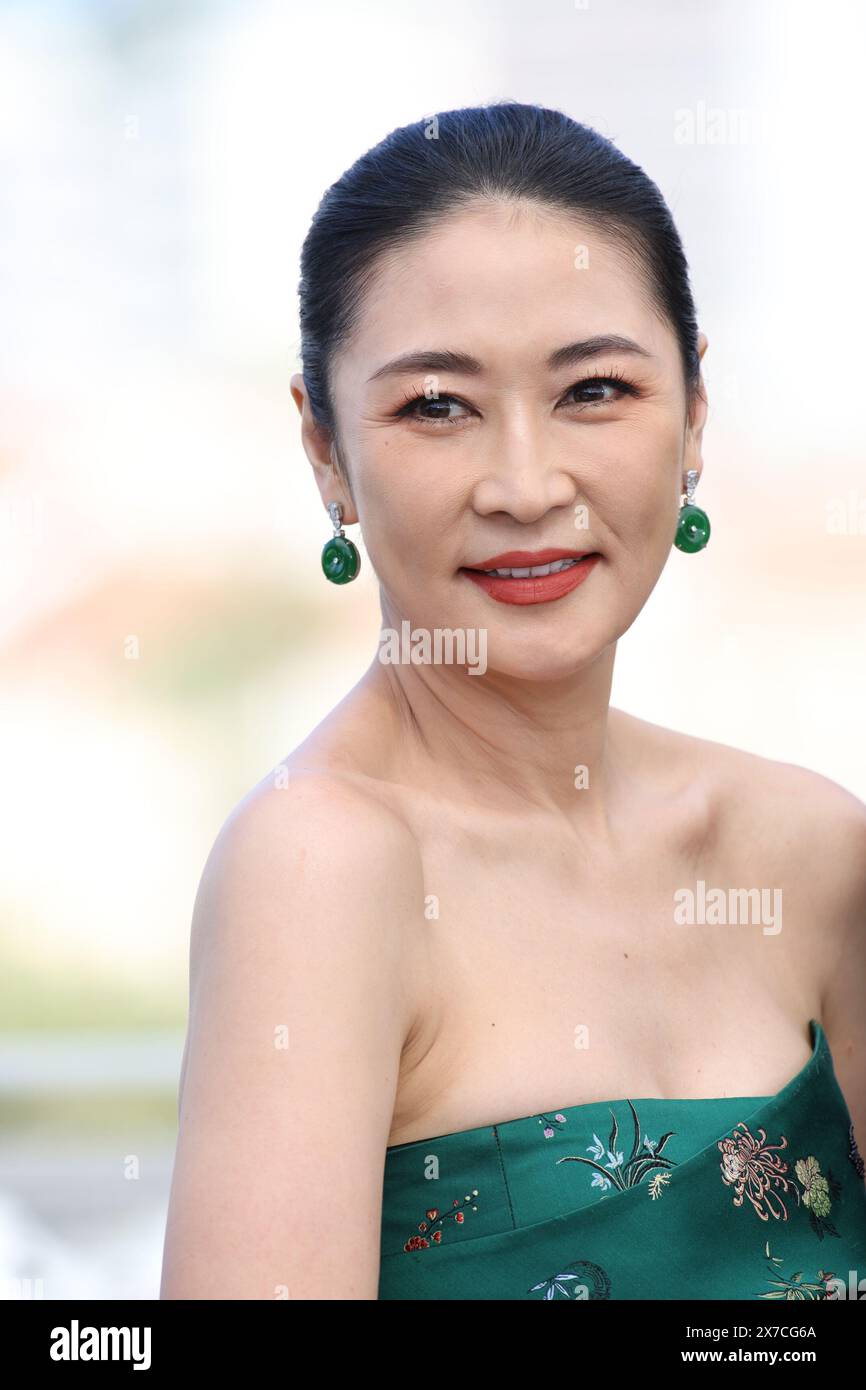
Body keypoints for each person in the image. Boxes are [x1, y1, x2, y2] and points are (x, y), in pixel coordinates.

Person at [160, 102, 866, 1301]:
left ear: (692, 414)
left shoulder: (808, 848)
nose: (527, 485)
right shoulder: (322, 868)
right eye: (437, 405)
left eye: (593, 390)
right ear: (325, 451)